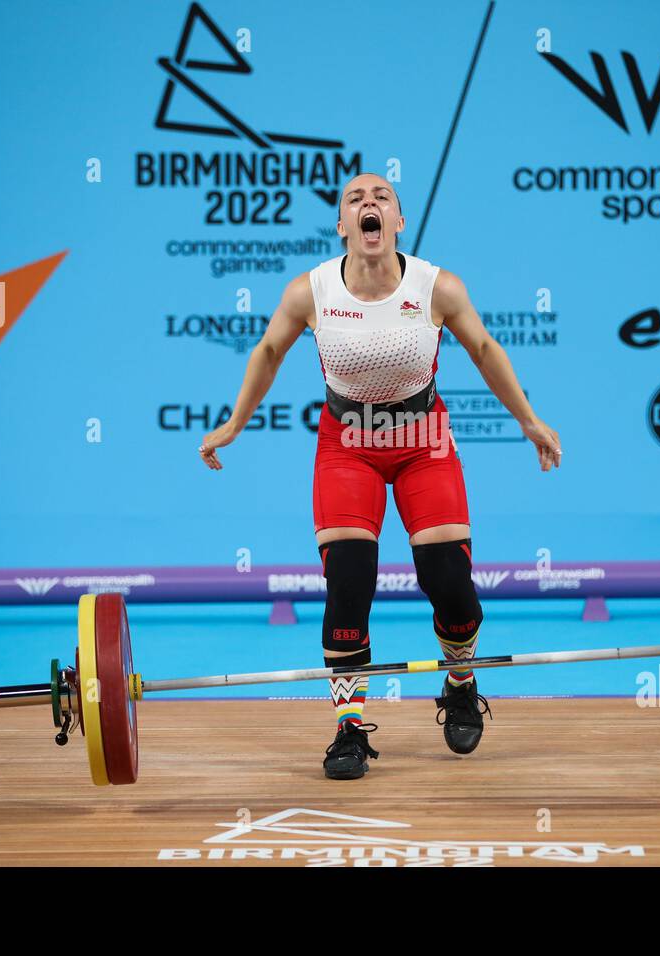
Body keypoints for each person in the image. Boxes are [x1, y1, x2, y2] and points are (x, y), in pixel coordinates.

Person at [199, 173, 561, 779]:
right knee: (348, 580)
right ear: (342, 225)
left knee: (449, 581)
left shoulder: (437, 287)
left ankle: (461, 681)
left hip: (423, 441)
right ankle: (348, 727)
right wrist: (234, 423)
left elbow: (486, 350)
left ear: (398, 221)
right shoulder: (308, 293)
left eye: (382, 197)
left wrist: (529, 420)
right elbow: (266, 353)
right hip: (348, 445)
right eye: (355, 199)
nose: (369, 203)